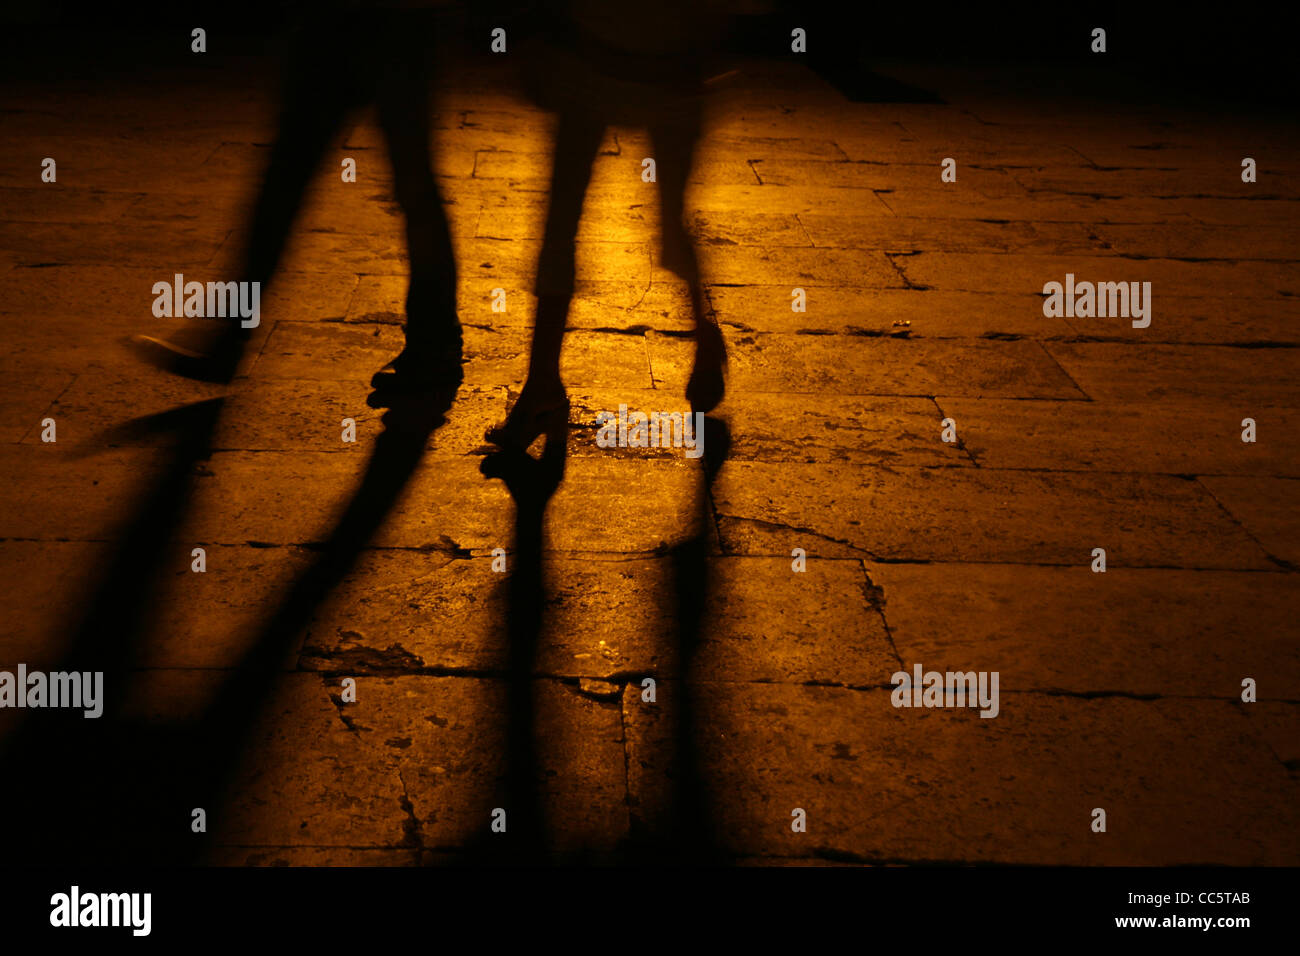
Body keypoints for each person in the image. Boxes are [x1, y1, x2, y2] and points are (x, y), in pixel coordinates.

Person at [129, 2, 462, 397]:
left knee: (307, 180)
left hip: (387, 20)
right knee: (296, 179)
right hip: (362, 21)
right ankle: (433, 343)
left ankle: (230, 338)